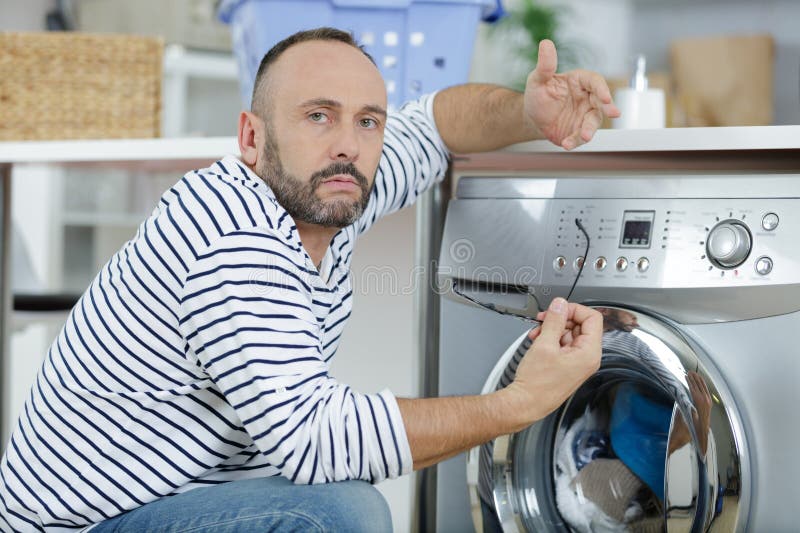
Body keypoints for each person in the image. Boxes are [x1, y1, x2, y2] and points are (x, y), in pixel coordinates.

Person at [0, 27, 617, 532]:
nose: (347, 144)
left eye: (367, 121)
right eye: (318, 116)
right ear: (252, 137)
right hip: (82, 526)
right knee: (341, 514)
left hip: (164, 502)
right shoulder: (234, 236)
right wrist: (521, 402)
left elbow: (434, 123)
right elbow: (312, 441)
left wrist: (528, 111)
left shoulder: (329, 188)